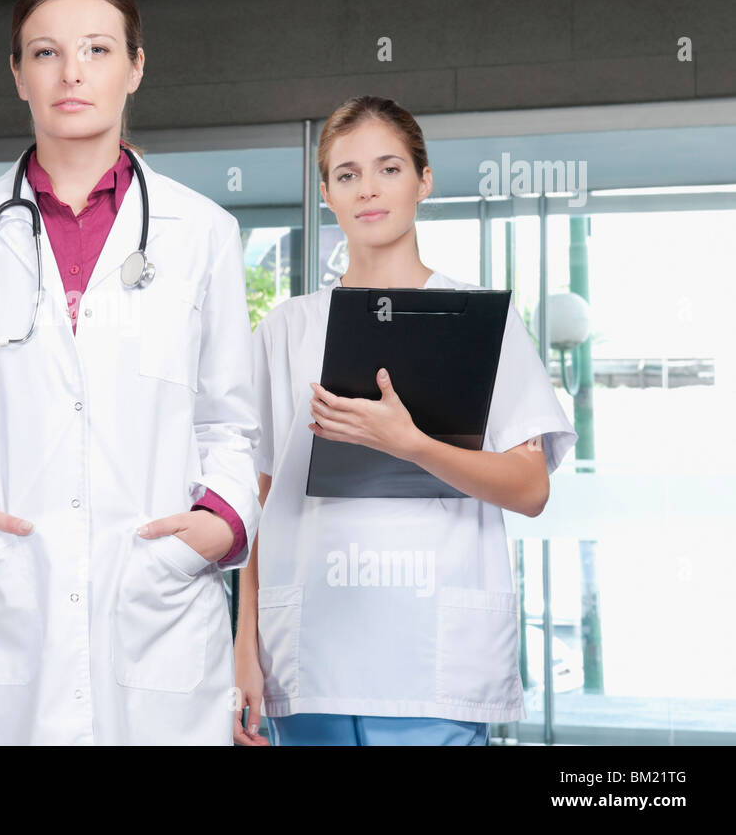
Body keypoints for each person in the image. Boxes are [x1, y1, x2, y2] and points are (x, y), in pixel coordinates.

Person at [0, 0, 260, 745]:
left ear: (135, 65)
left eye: (96, 48)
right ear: (18, 74)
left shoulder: (204, 234)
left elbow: (230, 426)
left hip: (153, 603)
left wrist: (217, 525)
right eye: (46, 52)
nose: (72, 72)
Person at [233, 95, 577, 746]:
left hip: (434, 668)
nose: (368, 189)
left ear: (423, 179)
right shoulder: (285, 330)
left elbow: (530, 489)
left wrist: (411, 443)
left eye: (388, 169)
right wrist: (244, 649)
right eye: (346, 173)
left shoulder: (482, 323)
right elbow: (259, 500)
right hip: (309, 662)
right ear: (326, 193)